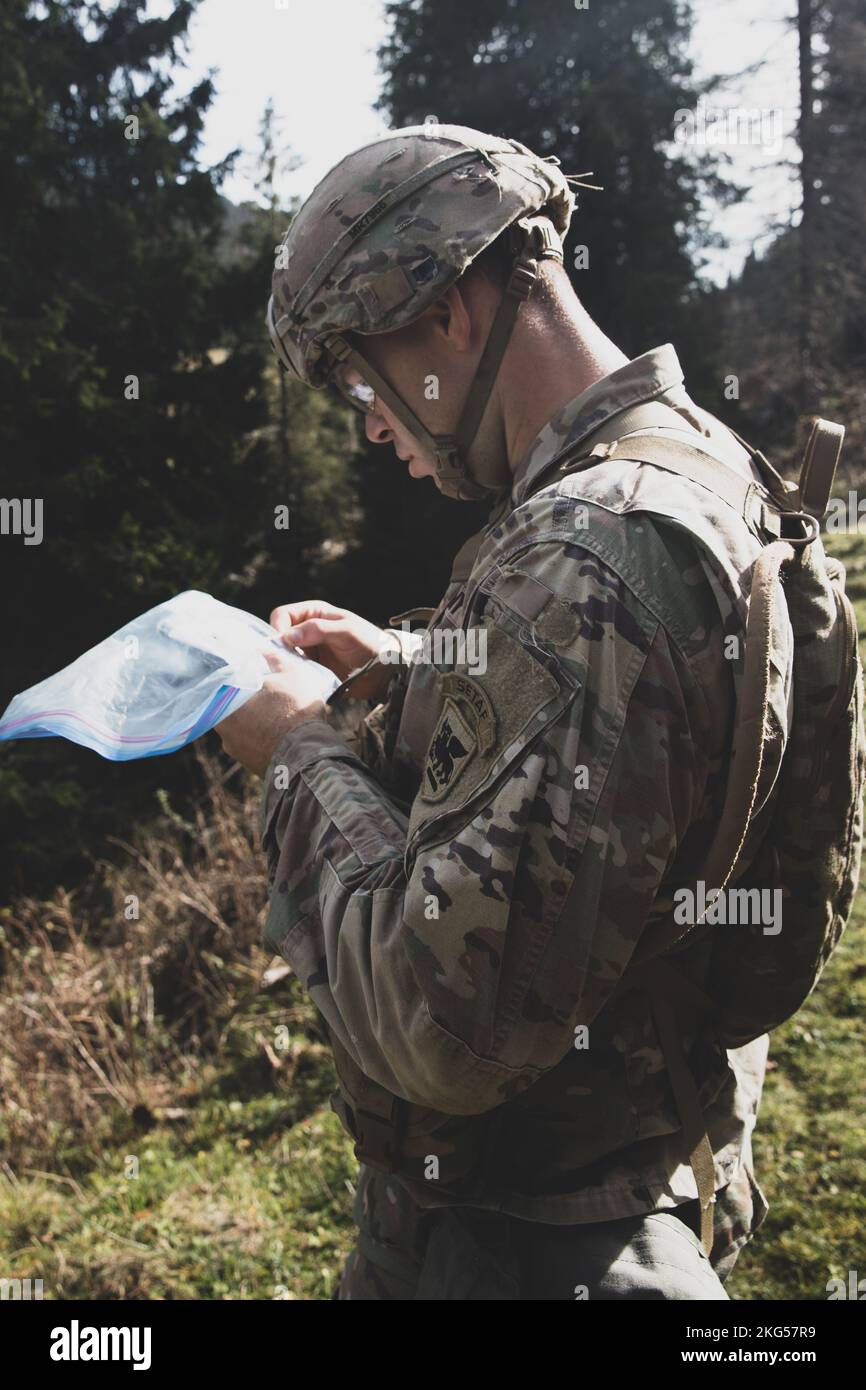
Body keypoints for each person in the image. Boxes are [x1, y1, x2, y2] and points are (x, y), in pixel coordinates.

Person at [217, 123, 775, 1300]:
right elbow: (620, 715)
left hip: (533, 1235)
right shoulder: (695, 467)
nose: (371, 423)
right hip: (632, 1163)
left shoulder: (590, 556)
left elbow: (446, 1022)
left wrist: (296, 749)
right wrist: (406, 667)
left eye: (362, 378)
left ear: (448, 317)